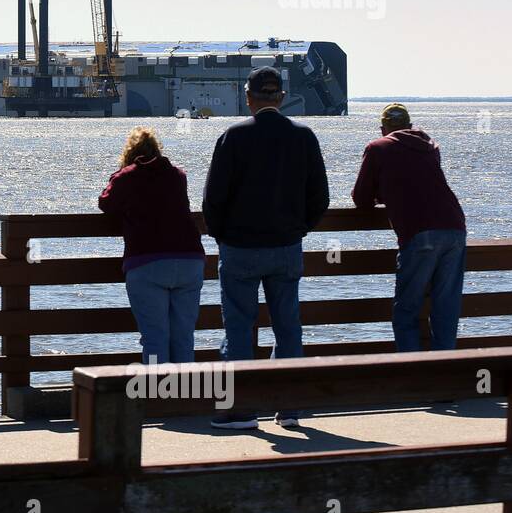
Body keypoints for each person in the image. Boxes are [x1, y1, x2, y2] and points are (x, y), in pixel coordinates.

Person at [203, 66, 329, 430]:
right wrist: (298, 229)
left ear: (248, 97)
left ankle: (241, 410)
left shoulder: (233, 136)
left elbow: (213, 198)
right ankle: (288, 407)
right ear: (283, 97)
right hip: (286, 247)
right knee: (288, 325)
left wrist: (222, 234)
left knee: (240, 327)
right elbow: (319, 197)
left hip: (240, 248)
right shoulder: (304, 137)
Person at [352, 103, 467, 351]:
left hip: (420, 231)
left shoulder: (378, 148)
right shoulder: (429, 146)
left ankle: (411, 372)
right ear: (409, 125)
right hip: (455, 228)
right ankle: (447, 368)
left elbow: (361, 199)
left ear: (383, 128)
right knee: (446, 306)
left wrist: (383, 194)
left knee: (407, 309)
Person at [99, 127, 205, 363]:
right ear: (157, 150)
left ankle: (158, 396)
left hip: (147, 262)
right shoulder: (178, 175)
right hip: (189, 259)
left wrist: (121, 173)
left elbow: (105, 203)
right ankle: (184, 395)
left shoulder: (127, 177)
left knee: (155, 338)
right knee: (184, 338)